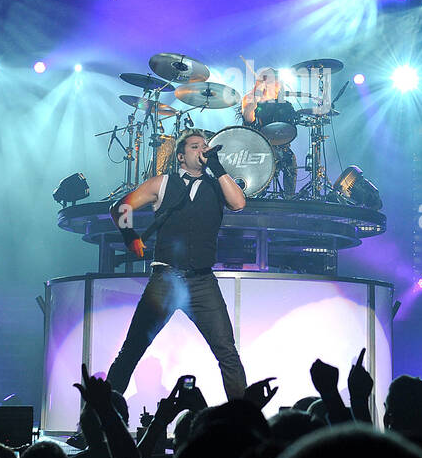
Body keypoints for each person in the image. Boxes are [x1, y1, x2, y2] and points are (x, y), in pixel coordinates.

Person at [105, 130, 249, 400]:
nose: (202, 150)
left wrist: (216, 167)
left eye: (205, 146)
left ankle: (243, 421)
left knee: (227, 352)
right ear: (181, 157)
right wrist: (131, 237)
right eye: (195, 147)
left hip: (202, 281)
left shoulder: (217, 183)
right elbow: (120, 207)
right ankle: (99, 418)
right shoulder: (162, 182)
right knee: (133, 348)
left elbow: (239, 203)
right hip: (165, 279)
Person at [238, 67, 298, 196]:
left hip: (280, 145)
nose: (276, 83)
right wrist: (258, 92)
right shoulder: (250, 98)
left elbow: (289, 127)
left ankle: (290, 198)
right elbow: (248, 118)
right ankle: (256, 194)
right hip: (257, 145)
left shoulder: (284, 104)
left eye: (276, 80)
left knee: (290, 159)